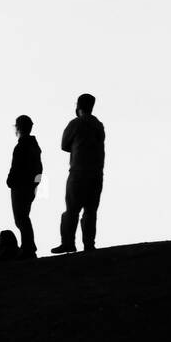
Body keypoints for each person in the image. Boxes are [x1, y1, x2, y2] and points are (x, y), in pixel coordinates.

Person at [52, 93, 105, 253]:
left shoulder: (75, 123)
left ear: (78, 106)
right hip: (96, 173)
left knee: (72, 210)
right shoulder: (98, 125)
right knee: (90, 211)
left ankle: (68, 243)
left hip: (78, 172)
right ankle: (89, 245)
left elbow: (64, 145)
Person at [6, 115, 43, 259]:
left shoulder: (22, 146)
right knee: (23, 217)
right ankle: (29, 246)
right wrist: (35, 184)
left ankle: (28, 247)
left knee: (21, 218)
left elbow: (16, 167)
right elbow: (39, 169)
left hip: (20, 187)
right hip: (29, 187)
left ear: (18, 128)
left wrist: (10, 181)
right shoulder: (34, 146)